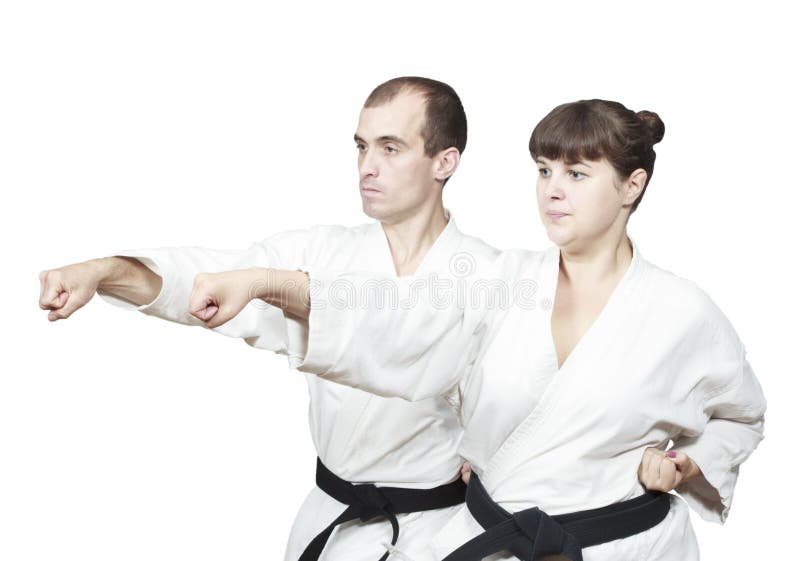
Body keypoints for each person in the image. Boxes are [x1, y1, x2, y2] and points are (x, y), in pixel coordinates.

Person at [194, 99, 766, 560]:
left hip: (627, 548)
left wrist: (689, 463)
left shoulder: (682, 311)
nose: (552, 190)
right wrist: (275, 284)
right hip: (492, 542)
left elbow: (741, 415)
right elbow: (397, 335)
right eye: (543, 171)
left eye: (576, 173)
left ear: (631, 186)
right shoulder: (501, 282)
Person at [38, 77, 503, 561]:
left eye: (390, 148)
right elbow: (206, 281)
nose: (368, 166)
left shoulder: (490, 277)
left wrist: (491, 454)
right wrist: (105, 271)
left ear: (444, 161)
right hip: (330, 522)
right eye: (362, 147)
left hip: (437, 533)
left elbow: (511, 400)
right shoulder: (322, 251)